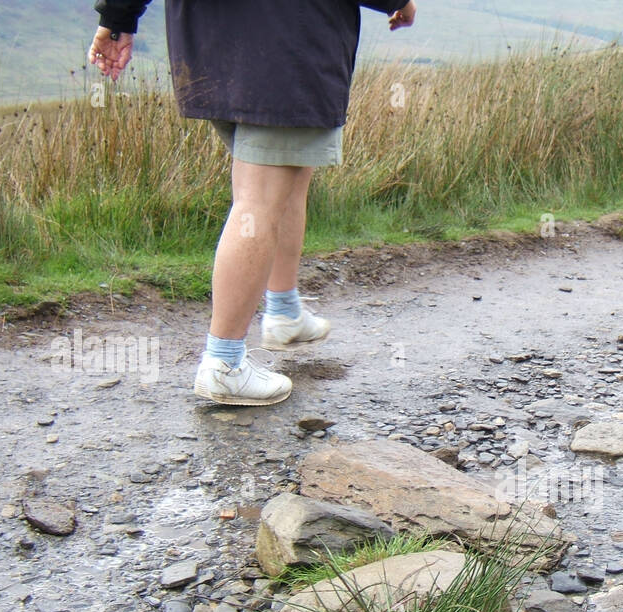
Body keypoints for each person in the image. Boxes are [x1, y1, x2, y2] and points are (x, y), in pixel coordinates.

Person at [88, 1, 418, 406]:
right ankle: (224, 364)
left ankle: (284, 312)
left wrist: (118, 16)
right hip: (286, 41)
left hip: (210, 42)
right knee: (259, 199)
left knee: (287, 177)